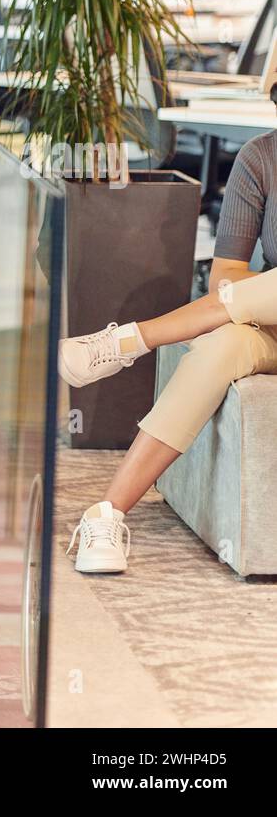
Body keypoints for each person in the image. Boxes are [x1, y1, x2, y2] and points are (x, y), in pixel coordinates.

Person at [58, 132, 277, 574]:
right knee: (222, 345)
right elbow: (226, 281)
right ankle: (107, 514)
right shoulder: (262, 157)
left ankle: (130, 340)